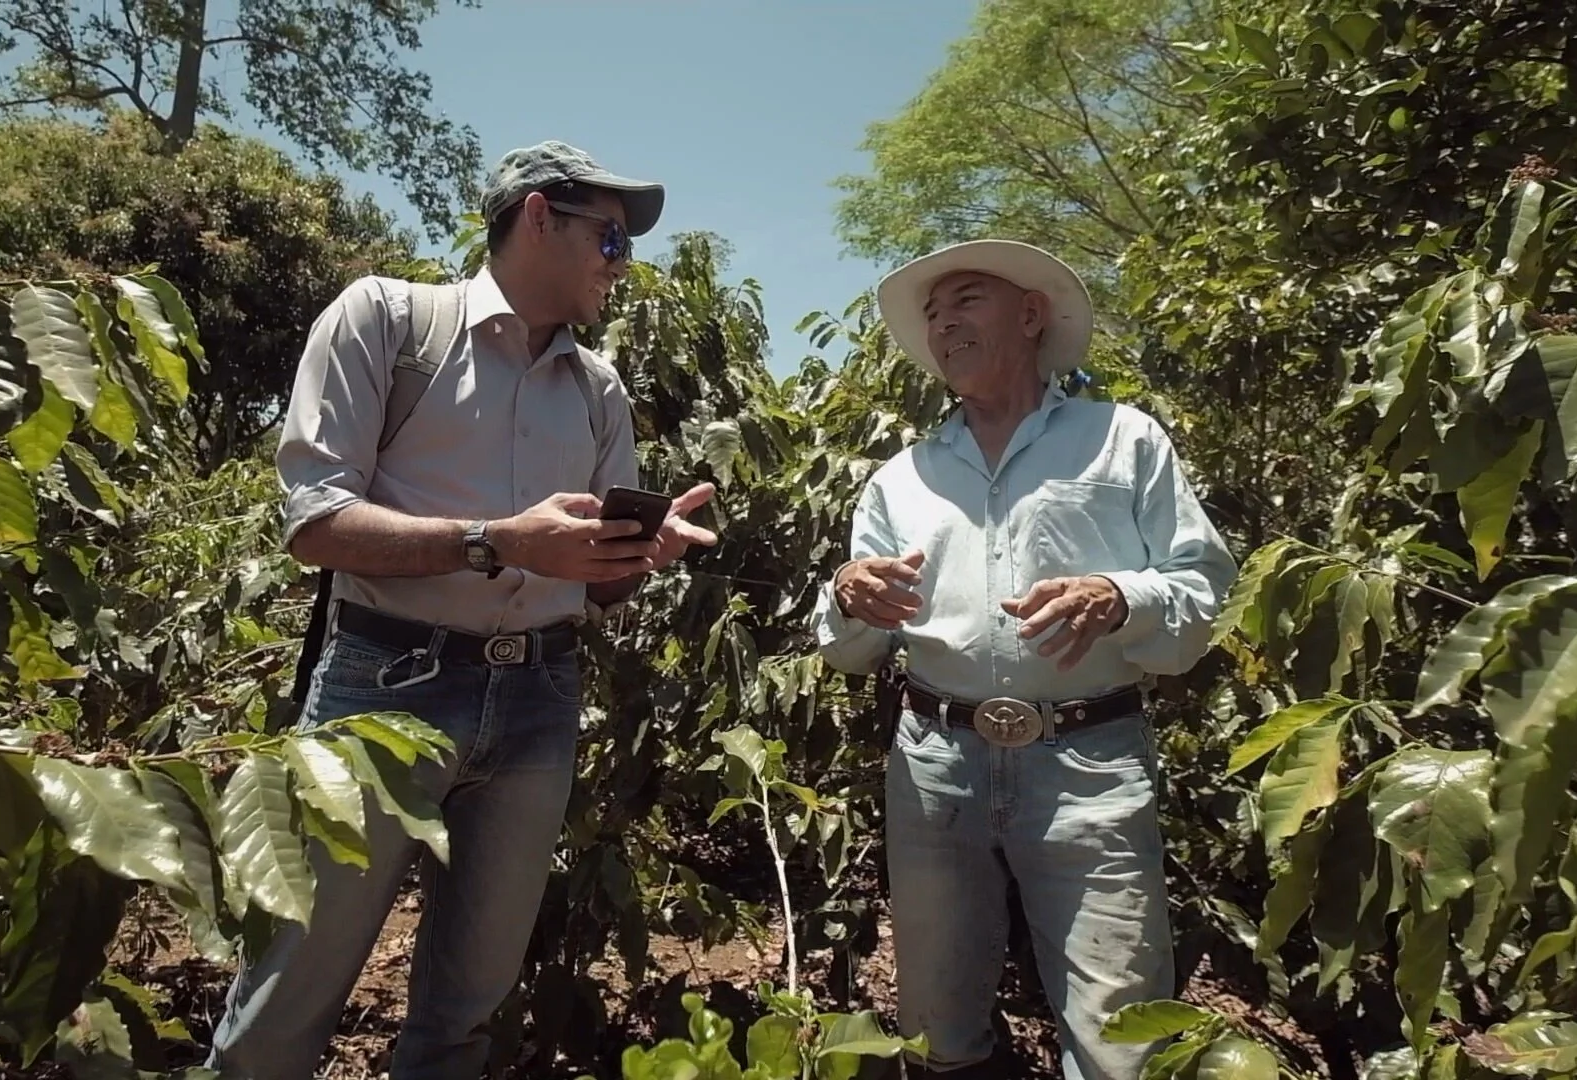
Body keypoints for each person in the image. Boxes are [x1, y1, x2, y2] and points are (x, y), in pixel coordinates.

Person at [207, 141, 718, 1080]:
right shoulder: (389, 321)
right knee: (292, 984)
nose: (623, 263)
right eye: (609, 238)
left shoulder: (599, 390)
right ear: (535, 217)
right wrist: (499, 541)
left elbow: (599, 587)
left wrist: (637, 556)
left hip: (538, 698)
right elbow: (316, 523)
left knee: (468, 1008)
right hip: (385, 685)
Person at [812, 240, 1237, 1079]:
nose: (944, 325)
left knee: (1124, 1040)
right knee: (937, 1031)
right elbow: (849, 650)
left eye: (966, 300)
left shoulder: (1124, 440)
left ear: (1031, 315)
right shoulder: (902, 479)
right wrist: (848, 594)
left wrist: (1121, 598)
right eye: (934, 316)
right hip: (936, 767)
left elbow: (1205, 591)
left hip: (1090, 765)